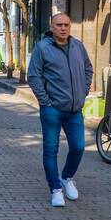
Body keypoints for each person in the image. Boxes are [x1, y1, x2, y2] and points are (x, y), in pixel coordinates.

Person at [26, 12, 93, 208]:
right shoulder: (42, 48)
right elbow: (33, 76)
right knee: (50, 150)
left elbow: (88, 69)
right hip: (52, 110)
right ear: (52, 27)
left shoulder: (78, 46)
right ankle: (55, 189)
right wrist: (45, 102)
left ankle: (67, 177)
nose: (63, 28)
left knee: (79, 147)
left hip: (75, 110)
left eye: (66, 25)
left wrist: (83, 91)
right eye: (59, 25)